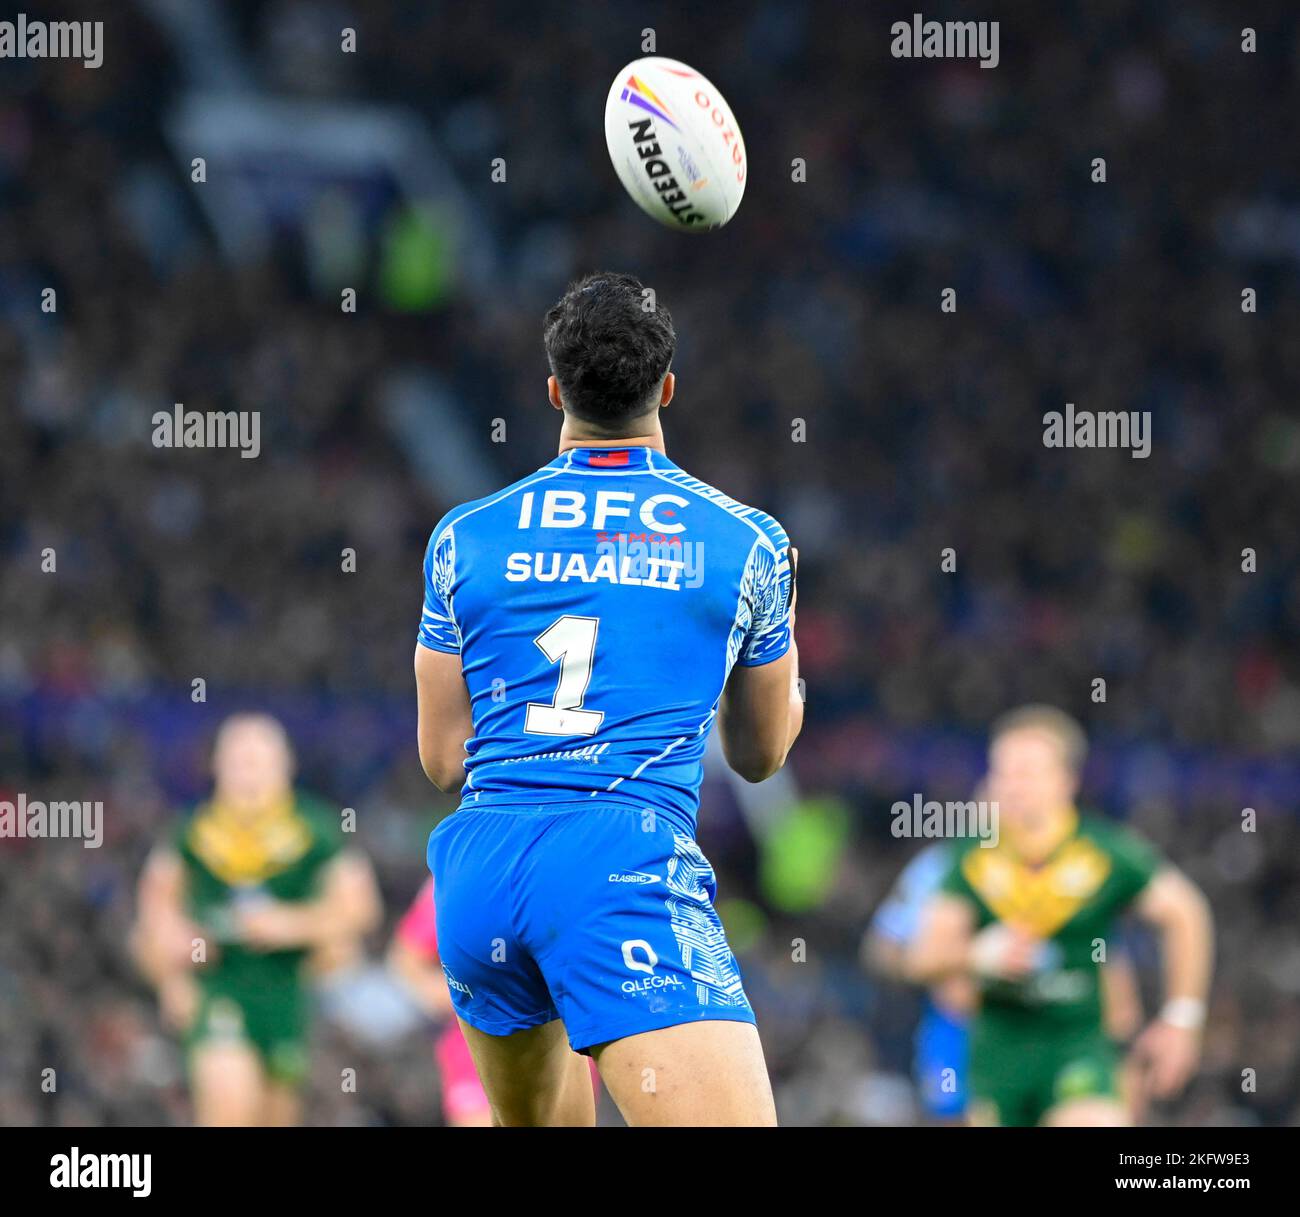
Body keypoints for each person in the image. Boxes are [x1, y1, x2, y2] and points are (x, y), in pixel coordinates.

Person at [413, 272, 803, 1126]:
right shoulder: (745, 541)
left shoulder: (464, 535)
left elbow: (444, 760)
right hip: (616, 859)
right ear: (668, 388)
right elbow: (761, 754)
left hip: (478, 874)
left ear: (554, 391)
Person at [907, 705, 1214, 1126]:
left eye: (1027, 772)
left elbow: (1186, 912)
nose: (1013, 786)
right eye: (1003, 771)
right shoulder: (970, 858)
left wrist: (1182, 1019)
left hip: (1079, 1046)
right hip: (998, 1056)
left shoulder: (1104, 851)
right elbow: (921, 959)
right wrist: (974, 956)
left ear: (1066, 780)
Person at [132, 713, 381, 1125]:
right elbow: (155, 905)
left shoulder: (315, 830)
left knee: (274, 1116)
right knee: (230, 1106)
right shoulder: (193, 831)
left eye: (259, 762)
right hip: (220, 984)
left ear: (286, 766)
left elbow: (362, 909)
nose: (249, 775)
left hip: (287, 994)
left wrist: (292, 924)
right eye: (239, 762)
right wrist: (172, 974)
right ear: (217, 767)